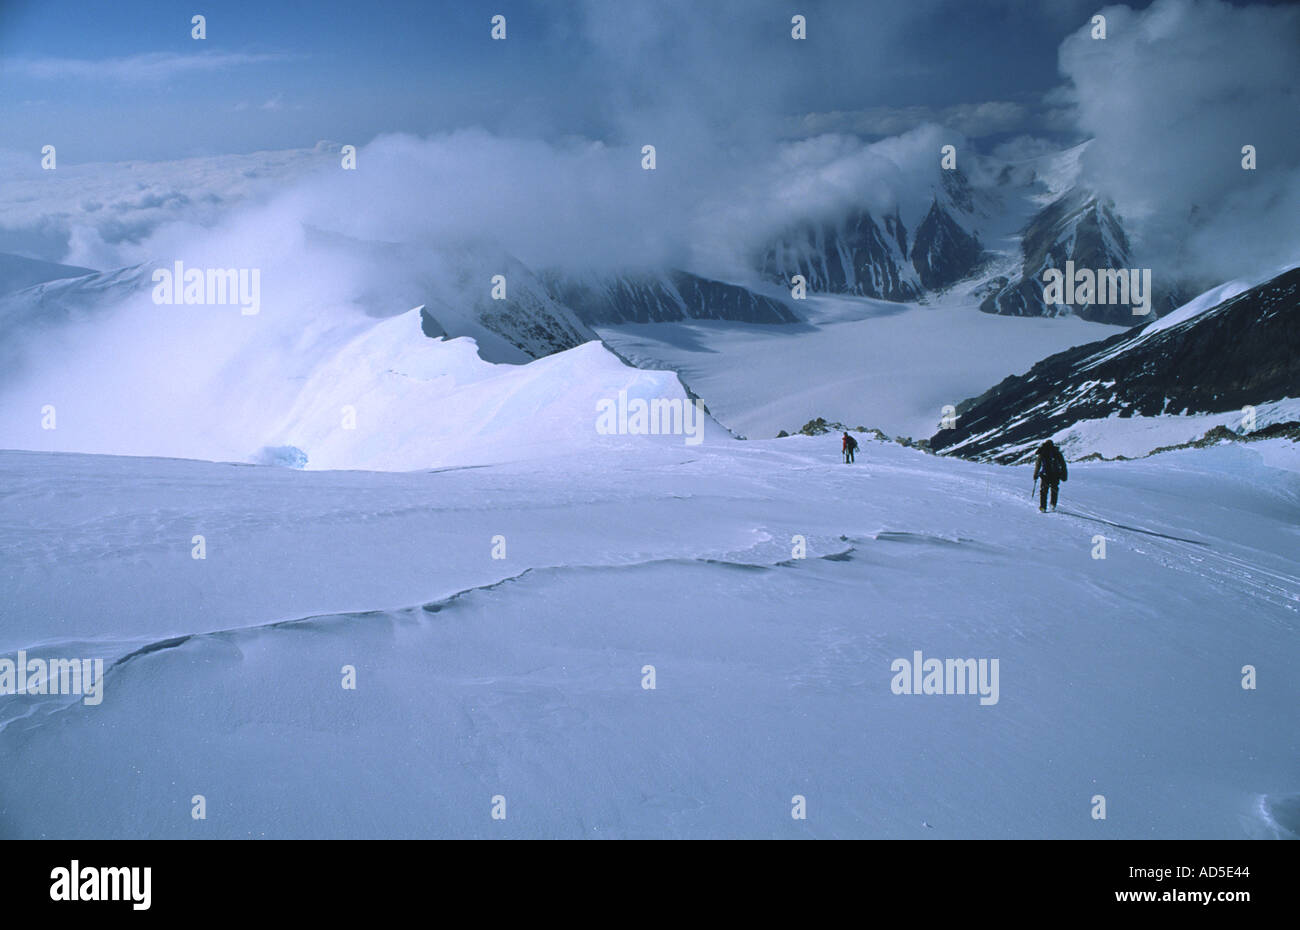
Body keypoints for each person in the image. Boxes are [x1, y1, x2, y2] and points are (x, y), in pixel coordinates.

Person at [1033, 439, 1068, 511]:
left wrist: (1035, 474)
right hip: (1055, 474)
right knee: (1054, 489)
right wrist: (1064, 475)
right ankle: (1053, 505)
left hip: (1045, 475)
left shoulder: (1042, 452)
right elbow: (1063, 465)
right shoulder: (1057, 452)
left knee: (1043, 491)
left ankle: (1043, 507)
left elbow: (1038, 465)